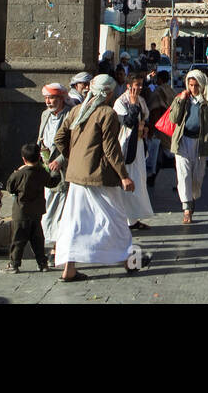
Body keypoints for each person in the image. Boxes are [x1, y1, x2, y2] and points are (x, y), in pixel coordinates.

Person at [52, 74, 152, 281]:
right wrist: (124, 176)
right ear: (107, 93)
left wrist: (75, 157)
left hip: (77, 176)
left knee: (74, 222)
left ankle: (68, 269)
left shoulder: (76, 111)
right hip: (100, 177)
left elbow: (59, 138)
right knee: (115, 218)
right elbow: (111, 148)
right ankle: (129, 261)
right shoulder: (107, 113)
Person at [167, 71, 208, 224]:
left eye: (196, 85)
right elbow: (174, 118)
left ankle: (192, 198)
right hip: (183, 141)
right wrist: (180, 101)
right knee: (183, 175)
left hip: (200, 143)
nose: (193, 88)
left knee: (197, 177)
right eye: (191, 85)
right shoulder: (182, 98)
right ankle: (187, 208)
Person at [3, 142, 57, 273]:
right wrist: (54, 171)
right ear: (39, 157)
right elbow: (52, 182)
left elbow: (10, 187)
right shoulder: (42, 173)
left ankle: (14, 264)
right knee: (38, 239)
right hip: (36, 212)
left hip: (21, 212)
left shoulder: (20, 174)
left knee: (18, 239)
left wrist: (16, 172)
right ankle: (42, 263)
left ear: (23, 159)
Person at [114, 72, 156, 230]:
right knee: (128, 179)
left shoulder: (141, 100)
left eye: (140, 84)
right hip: (126, 145)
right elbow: (128, 122)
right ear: (128, 86)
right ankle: (123, 219)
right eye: (136, 85)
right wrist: (132, 103)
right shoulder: (121, 102)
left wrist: (144, 127)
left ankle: (132, 218)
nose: (139, 88)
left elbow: (144, 117)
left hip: (138, 144)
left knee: (139, 179)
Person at [38, 82, 73, 244]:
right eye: (46, 98)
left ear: (61, 99)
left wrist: (60, 160)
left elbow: (74, 143)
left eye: (51, 98)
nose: (48, 102)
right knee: (47, 205)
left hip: (63, 168)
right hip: (46, 166)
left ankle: (55, 243)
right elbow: (41, 138)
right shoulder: (45, 115)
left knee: (59, 206)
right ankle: (49, 239)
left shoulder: (70, 115)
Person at [146, 69, 176, 185]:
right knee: (165, 154)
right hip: (171, 126)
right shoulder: (171, 91)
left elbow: (155, 111)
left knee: (158, 155)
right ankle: (153, 177)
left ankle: (152, 176)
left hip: (161, 128)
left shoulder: (159, 91)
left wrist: (152, 129)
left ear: (160, 79)